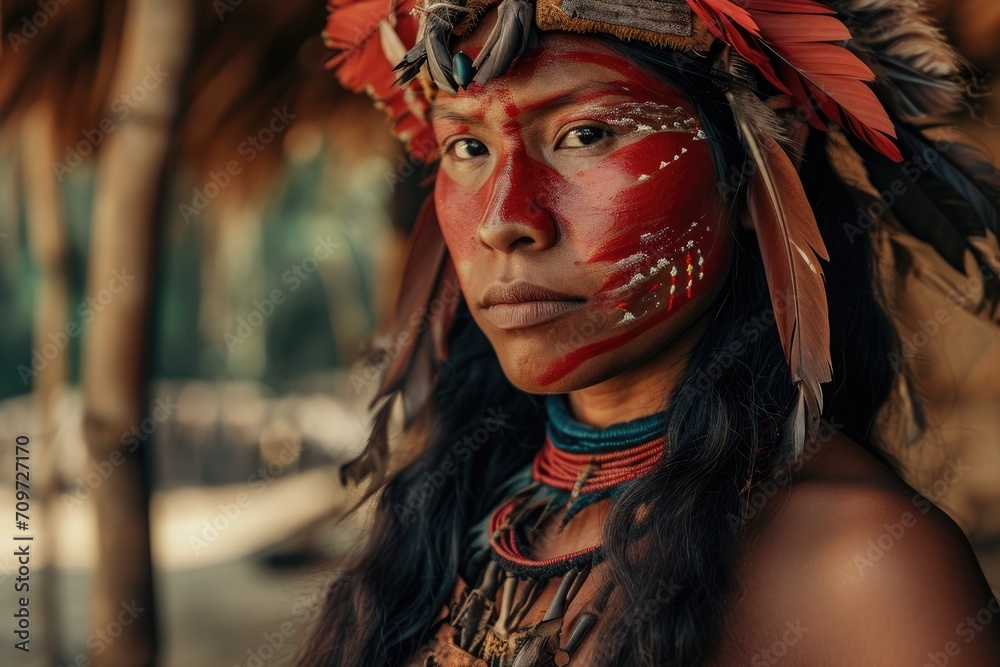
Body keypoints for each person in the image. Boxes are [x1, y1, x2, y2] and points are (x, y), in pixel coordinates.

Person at [299, 0, 1000, 664]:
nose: (503, 219)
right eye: (467, 146)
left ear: (765, 151)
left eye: (586, 134)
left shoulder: (865, 563)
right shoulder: (450, 519)